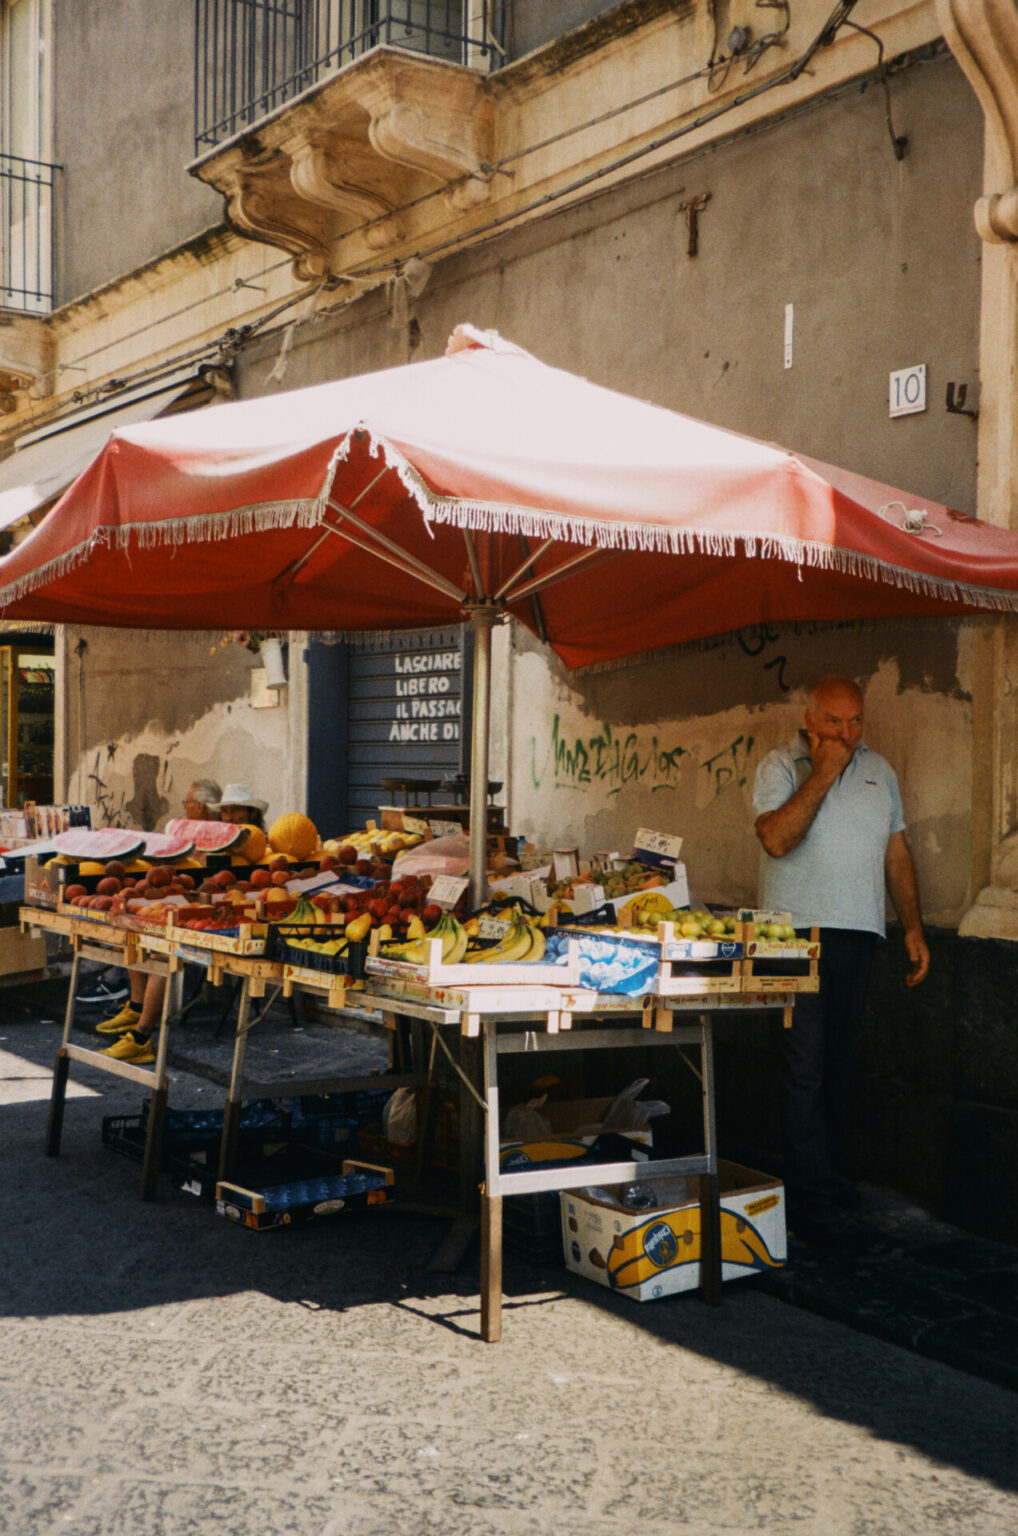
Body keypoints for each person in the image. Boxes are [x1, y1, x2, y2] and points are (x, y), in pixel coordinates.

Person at [752, 676, 930, 1245]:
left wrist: (914, 928)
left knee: (839, 1067)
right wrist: (824, 772)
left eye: (855, 722)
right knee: (802, 1070)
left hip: (857, 934)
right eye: (834, 722)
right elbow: (776, 839)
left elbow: (895, 851)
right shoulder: (780, 766)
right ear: (809, 719)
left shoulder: (882, 772)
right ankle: (811, 1204)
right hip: (793, 936)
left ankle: (822, 1178)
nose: (846, 733)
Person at [94, 777, 223, 1063]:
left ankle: (141, 1037)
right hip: (184, 899)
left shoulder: (227, 835)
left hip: (205, 907)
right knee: (133, 929)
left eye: (186, 803)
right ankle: (137, 1007)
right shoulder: (196, 833)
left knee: (159, 950)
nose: (184, 808)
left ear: (199, 806)